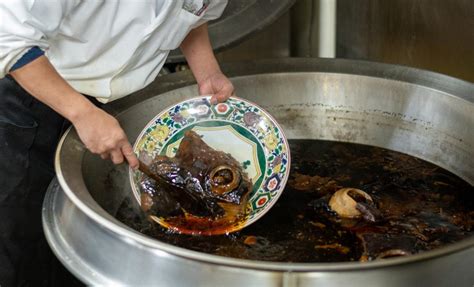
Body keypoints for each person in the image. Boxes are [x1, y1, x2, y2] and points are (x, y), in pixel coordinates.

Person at [0, 0, 233, 285]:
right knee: (21, 235)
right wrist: (81, 112)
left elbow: (193, 14)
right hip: (34, 96)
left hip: (117, 109)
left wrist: (207, 71)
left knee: (92, 237)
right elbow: (9, 38)